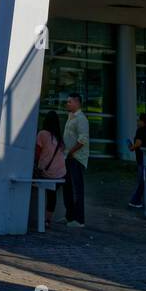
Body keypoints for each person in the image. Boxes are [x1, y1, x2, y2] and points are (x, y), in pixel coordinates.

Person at [35, 110, 66, 229]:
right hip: (61, 173)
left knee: (35, 186)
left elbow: (37, 153)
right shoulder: (59, 137)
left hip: (47, 172)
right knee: (52, 195)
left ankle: (38, 217)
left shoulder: (42, 134)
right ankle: (47, 220)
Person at [62, 93, 89, 228]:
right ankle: (69, 216)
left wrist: (71, 152)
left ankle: (79, 220)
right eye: (67, 101)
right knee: (67, 188)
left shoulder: (81, 119)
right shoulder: (71, 116)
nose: (67, 104)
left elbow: (83, 140)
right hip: (68, 157)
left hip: (76, 158)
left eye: (70, 102)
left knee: (76, 189)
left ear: (77, 103)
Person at [128, 111, 146, 209]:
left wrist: (132, 147)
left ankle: (135, 200)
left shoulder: (140, 131)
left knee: (142, 181)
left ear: (142, 121)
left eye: (139, 120)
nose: (137, 122)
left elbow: (139, 143)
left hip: (142, 159)